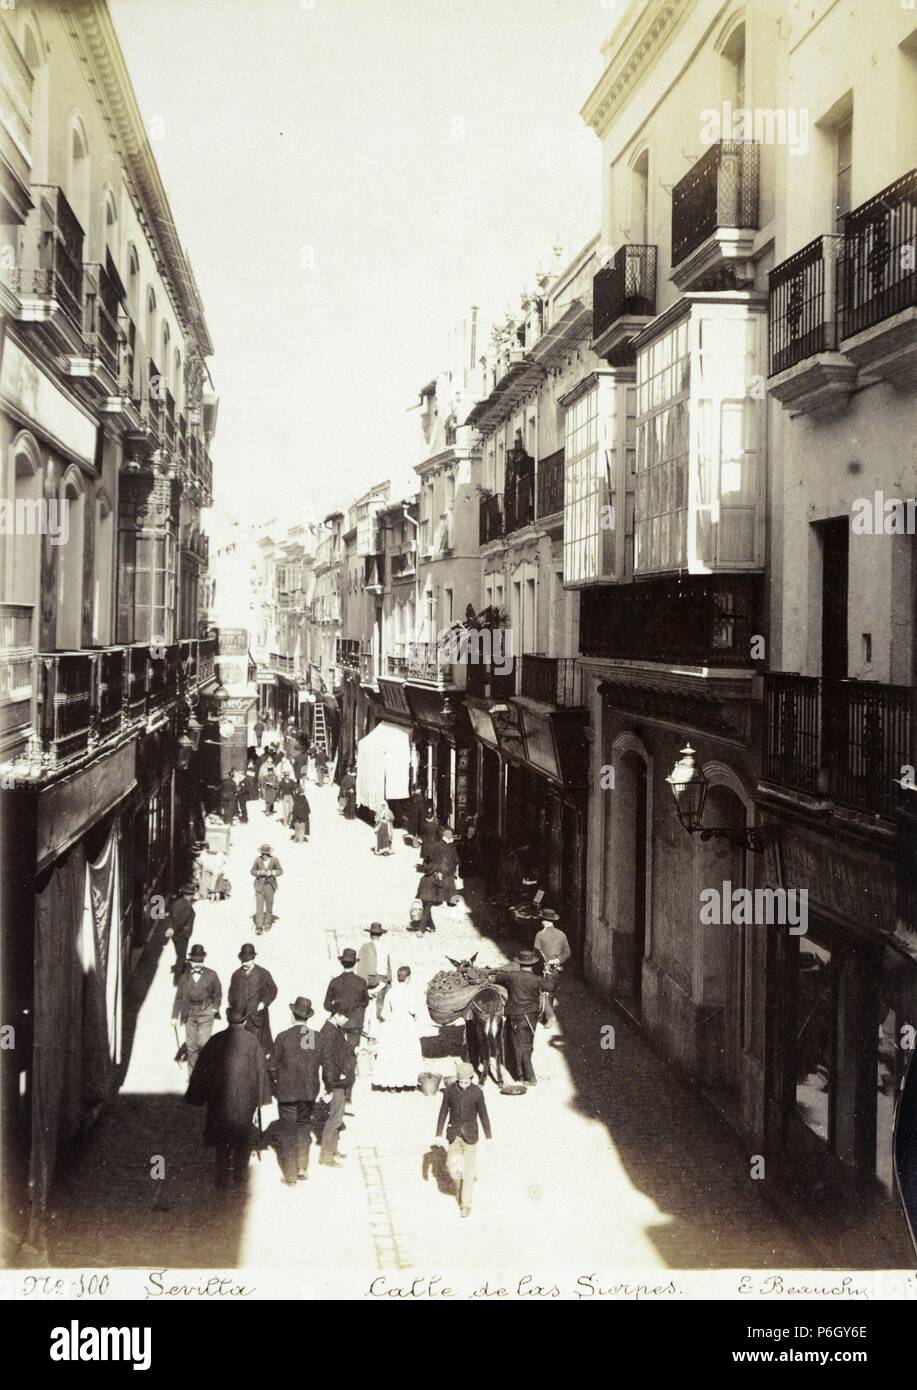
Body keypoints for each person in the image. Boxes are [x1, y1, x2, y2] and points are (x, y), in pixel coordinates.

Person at [185, 1007, 272, 1190]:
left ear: (227, 1019)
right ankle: (239, 1177)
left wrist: (198, 1095)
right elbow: (261, 1072)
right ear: (244, 1021)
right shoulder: (252, 1041)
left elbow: (202, 1070)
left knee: (222, 1141)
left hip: (220, 1101)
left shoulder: (216, 1040)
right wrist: (261, 1100)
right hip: (244, 1102)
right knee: (242, 1139)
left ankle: (221, 1179)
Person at [269, 997, 321, 1186]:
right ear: (307, 1018)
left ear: (293, 1016)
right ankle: (302, 1167)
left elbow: (272, 1066)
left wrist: (275, 1084)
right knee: (303, 1126)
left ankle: (290, 1175)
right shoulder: (316, 1036)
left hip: (287, 1092)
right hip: (308, 1092)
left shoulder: (283, 1037)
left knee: (288, 1131)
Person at [433, 1060, 492, 1217]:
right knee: (453, 1170)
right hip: (454, 1135)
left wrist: (489, 1136)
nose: (464, 1085)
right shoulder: (450, 1091)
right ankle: (463, 1186)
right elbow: (443, 1112)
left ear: (472, 1078)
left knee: (468, 1170)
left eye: (466, 1082)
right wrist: (438, 1134)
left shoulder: (477, 1093)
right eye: (461, 1081)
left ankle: (466, 1204)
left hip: (471, 1136)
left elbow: (483, 1114)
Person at [490, 951, 543, 1085]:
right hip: (532, 1016)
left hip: (516, 1015)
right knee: (528, 1044)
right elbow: (550, 986)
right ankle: (521, 1074)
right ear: (533, 964)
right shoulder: (537, 979)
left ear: (519, 963)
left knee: (519, 1045)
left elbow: (495, 978)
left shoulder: (512, 976)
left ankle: (530, 1077)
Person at [172, 944, 221, 1073]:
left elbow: (218, 993)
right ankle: (193, 1074)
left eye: (200, 961)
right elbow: (179, 998)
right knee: (191, 1046)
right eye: (195, 961)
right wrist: (174, 1016)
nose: (198, 964)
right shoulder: (184, 978)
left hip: (206, 1012)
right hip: (189, 1014)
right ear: (190, 962)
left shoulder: (212, 975)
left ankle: (203, 1072)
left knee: (203, 1044)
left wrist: (214, 1008)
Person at [373, 966, 423, 1091]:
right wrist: (413, 1016)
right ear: (408, 977)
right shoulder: (410, 991)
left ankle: (392, 1085)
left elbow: (384, 1013)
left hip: (392, 1023)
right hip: (406, 1023)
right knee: (407, 1052)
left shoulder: (391, 991)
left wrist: (392, 1018)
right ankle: (407, 1083)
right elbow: (413, 1010)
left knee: (392, 1053)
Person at [317, 1011, 356, 1168]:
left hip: (339, 1081)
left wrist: (355, 1050)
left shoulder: (335, 1029)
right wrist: (331, 1085)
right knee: (334, 1119)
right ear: (337, 1014)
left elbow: (342, 1050)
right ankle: (326, 1157)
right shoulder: (328, 1032)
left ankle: (333, 1149)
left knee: (338, 1117)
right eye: (345, 1017)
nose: (347, 1020)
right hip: (335, 1083)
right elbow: (326, 1060)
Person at [228, 943, 278, 1054]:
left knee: (257, 1048)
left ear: (253, 958)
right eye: (243, 960)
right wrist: (234, 1010)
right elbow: (231, 994)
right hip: (240, 1019)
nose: (244, 963)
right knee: (240, 1048)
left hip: (256, 1018)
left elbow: (273, 990)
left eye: (247, 960)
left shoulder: (263, 973)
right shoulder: (236, 975)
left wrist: (264, 1003)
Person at [324, 949, 370, 1066]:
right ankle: (350, 1078)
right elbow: (366, 1002)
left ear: (341, 963)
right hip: (355, 1023)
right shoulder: (361, 982)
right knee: (353, 1053)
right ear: (355, 964)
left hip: (339, 1023)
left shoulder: (334, 982)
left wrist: (339, 1009)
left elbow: (326, 1005)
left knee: (337, 1052)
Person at [533, 909, 571, 1027]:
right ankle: (547, 1016)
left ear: (544, 921)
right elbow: (567, 953)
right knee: (551, 991)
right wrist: (557, 960)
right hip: (555, 969)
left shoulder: (540, 934)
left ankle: (549, 1017)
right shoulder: (562, 934)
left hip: (543, 968)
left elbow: (535, 952)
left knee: (541, 992)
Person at [355, 923, 390, 1050]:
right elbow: (388, 964)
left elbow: (360, 965)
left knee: (367, 1006)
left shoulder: (365, 947)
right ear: (381, 934)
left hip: (369, 980)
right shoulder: (386, 947)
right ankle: (372, 1036)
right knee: (378, 1008)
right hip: (382, 980)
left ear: (370, 934)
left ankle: (365, 1030)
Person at [165, 883, 195, 980]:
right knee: (181, 957)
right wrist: (174, 929)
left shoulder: (177, 902)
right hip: (182, 934)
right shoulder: (187, 906)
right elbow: (181, 921)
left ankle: (179, 975)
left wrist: (170, 928)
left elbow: (171, 916)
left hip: (175, 935)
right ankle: (178, 980)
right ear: (190, 895)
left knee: (179, 955)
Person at [251, 843, 283, 932]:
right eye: (262, 854)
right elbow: (252, 871)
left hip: (270, 886)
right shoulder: (257, 860)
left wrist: (272, 872)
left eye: (266, 854)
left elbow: (280, 871)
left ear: (269, 854)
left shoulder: (275, 860)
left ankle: (267, 925)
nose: (264, 856)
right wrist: (258, 873)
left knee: (269, 906)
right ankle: (259, 927)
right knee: (259, 907)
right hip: (259, 886)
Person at [430, 828, 460, 903]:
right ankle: (451, 900)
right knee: (450, 884)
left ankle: (438, 899)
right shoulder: (452, 846)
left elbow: (431, 857)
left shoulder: (436, 845)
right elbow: (456, 858)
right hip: (450, 868)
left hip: (439, 868)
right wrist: (457, 866)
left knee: (439, 883)